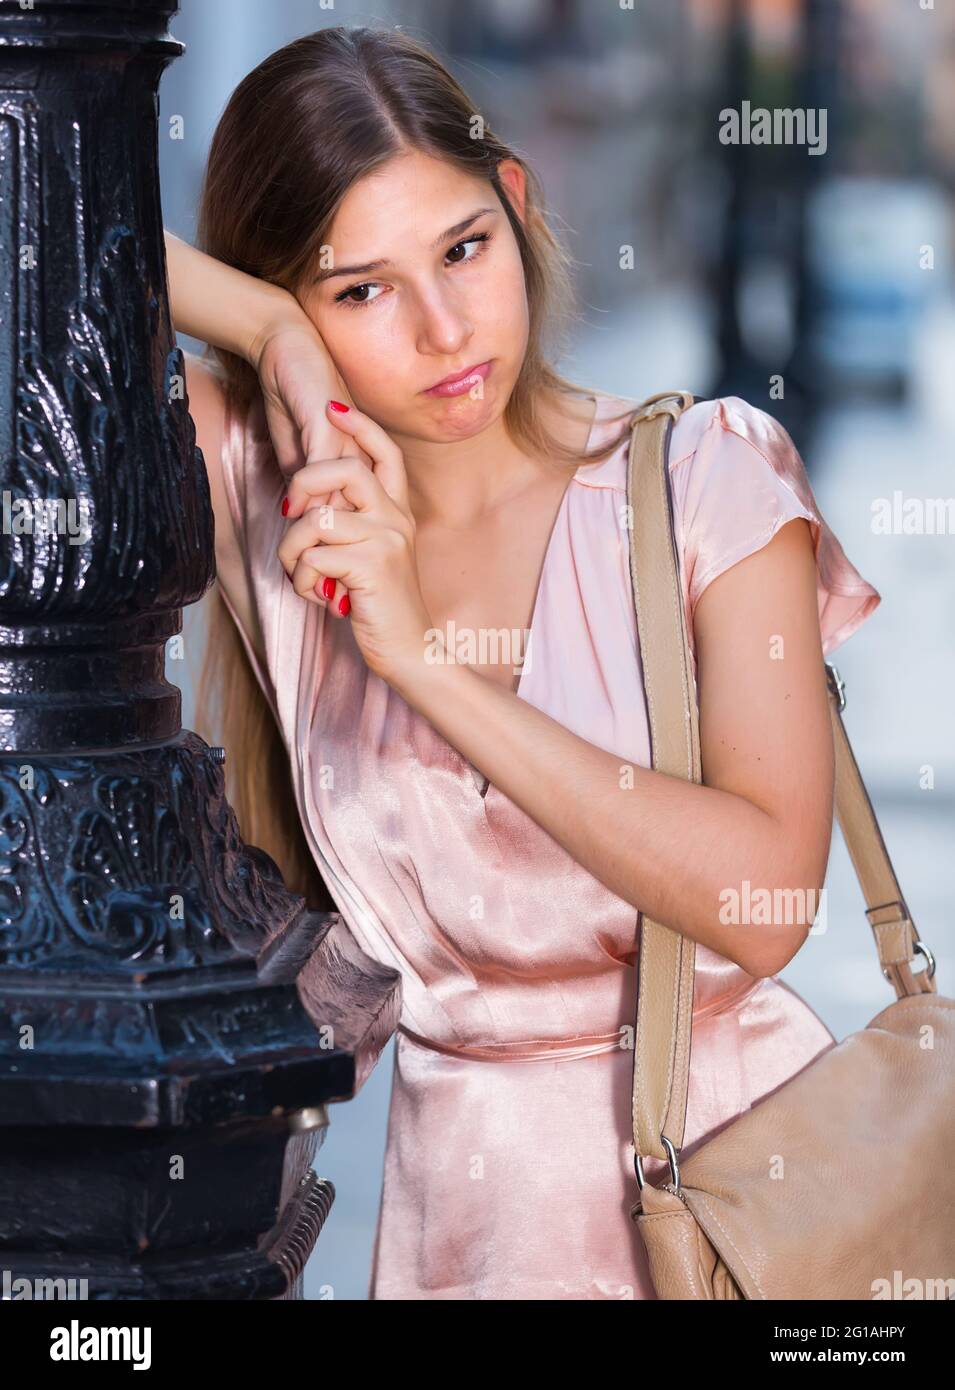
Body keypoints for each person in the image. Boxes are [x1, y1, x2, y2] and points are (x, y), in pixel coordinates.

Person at [168, 25, 881, 1300]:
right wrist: (268, 328)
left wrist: (427, 666)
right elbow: (41, 234)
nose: (446, 328)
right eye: (361, 289)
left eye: (462, 248)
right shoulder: (274, 505)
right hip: (460, 1242)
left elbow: (767, 902)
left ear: (518, 205)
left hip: (727, 1228)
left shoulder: (703, 477)